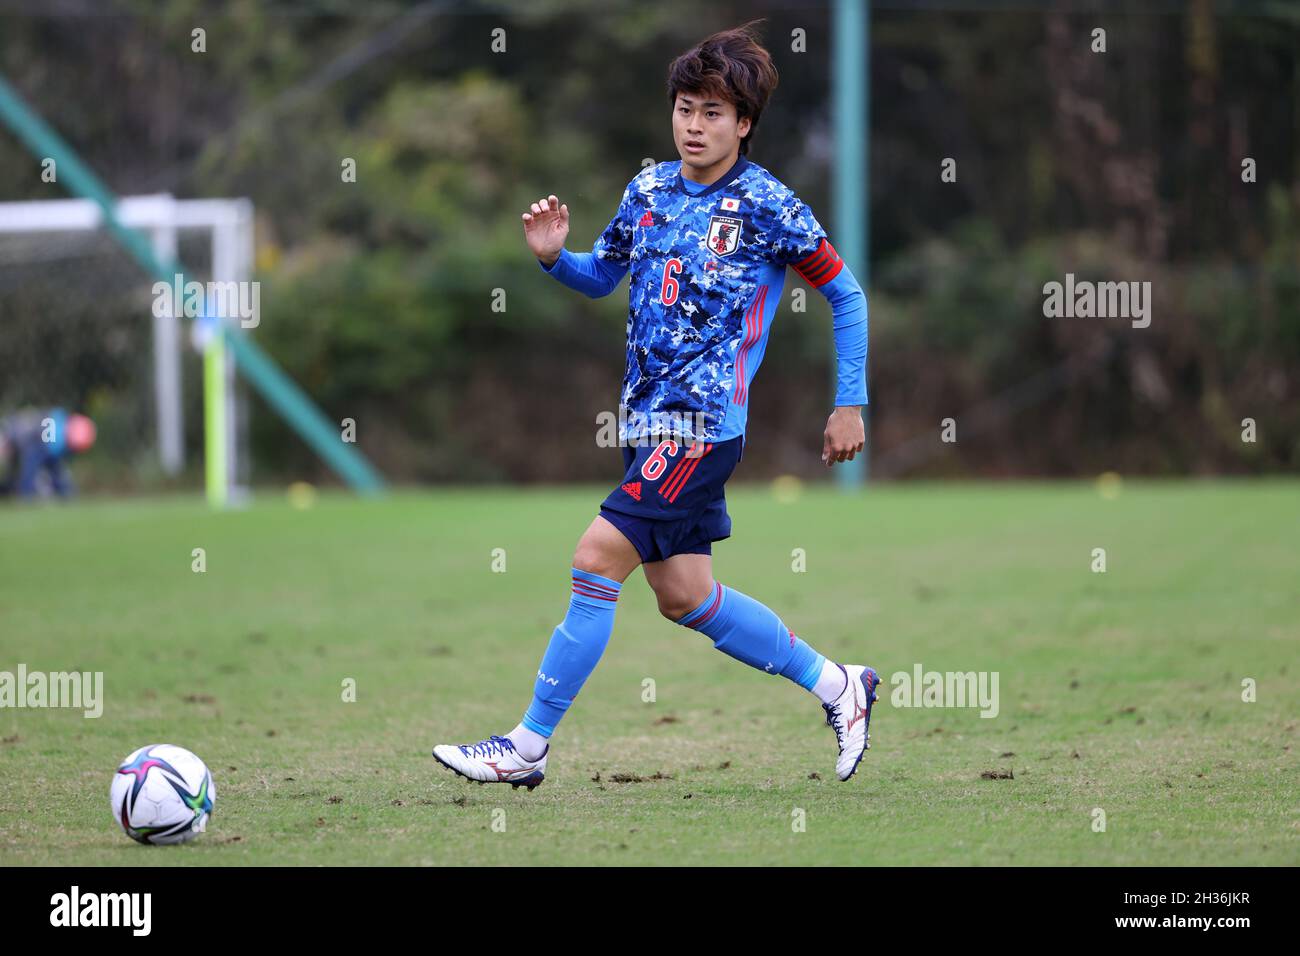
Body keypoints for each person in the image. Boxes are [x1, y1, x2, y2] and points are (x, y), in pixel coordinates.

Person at [433, 22, 876, 790]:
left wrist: (850, 403)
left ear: (743, 124)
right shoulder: (647, 190)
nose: (694, 125)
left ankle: (526, 747)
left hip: (703, 431)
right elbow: (601, 278)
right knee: (683, 596)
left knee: (594, 559)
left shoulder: (769, 204)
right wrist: (550, 260)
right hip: (645, 426)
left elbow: (844, 293)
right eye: (684, 108)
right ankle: (839, 685)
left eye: (712, 112)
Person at [0, 407, 97, 499]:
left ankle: (28, 493)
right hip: (45, 443)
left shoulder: (58, 420)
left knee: (42, 470)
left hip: (45, 443)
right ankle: (27, 493)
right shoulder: (58, 422)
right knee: (42, 471)